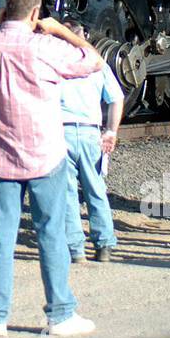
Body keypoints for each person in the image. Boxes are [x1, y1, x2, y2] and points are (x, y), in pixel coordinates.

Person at [0, 0, 103, 338]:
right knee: (51, 232)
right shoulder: (45, 47)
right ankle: (60, 314)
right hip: (44, 153)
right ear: (35, 13)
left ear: (2, 10)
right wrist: (60, 30)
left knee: (1, 235)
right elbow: (94, 60)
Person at [58, 21, 123, 263]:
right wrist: (111, 131)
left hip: (60, 132)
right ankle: (104, 244)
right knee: (96, 189)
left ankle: (75, 249)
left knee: (66, 194)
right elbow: (116, 99)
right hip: (90, 133)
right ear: (83, 34)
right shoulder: (98, 64)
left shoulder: (55, 62)